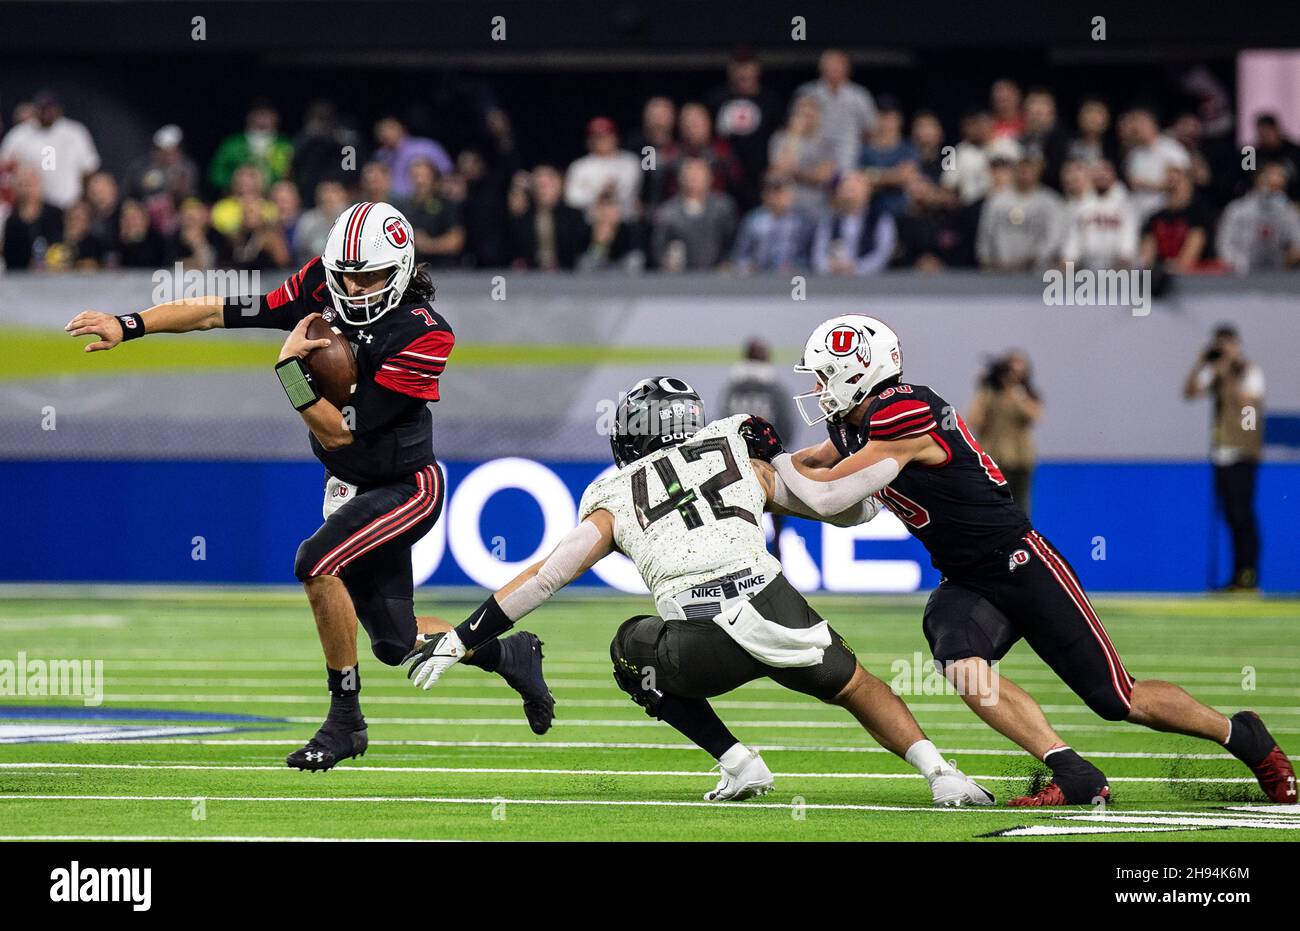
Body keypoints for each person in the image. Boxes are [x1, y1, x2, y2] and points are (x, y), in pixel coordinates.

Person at [63, 201, 554, 770]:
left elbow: (340, 433)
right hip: (347, 484)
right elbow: (218, 313)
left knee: (315, 562)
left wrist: (290, 372)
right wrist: (130, 325)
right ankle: (508, 654)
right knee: (395, 643)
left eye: (366, 275)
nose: (351, 286)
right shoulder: (320, 285)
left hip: (406, 486)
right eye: (343, 274)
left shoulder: (424, 335)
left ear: (399, 270)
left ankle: (344, 722)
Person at [761, 314, 1295, 806]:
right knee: (965, 667)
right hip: (966, 579)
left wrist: (758, 479)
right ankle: (1073, 773)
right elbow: (810, 464)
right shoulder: (854, 424)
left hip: (1021, 562)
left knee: (1116, 698)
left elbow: (829, 496)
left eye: (825, 375)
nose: (817, 388)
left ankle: (1242, 735)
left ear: (859, 372)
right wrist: (750, 464)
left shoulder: (905, 409)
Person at [405, 376, 993, 807]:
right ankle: (941, 773)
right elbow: (826, 503)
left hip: (698, 640)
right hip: (774, 603)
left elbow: (546, 575)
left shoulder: (613, 490)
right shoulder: (738, 445)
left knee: (629, 651)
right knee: (857, 685)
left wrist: (464, 636)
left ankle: (738, 763)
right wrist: (873, 489)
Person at [1183, 325, 1266, 592]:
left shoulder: (1248, 371)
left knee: (1242, 514)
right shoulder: (1216, 370)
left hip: (1243, 450)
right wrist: (1201, 363)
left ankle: (1248, 574)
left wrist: (1227, 371)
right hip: (1221, 453)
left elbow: (1246, 407)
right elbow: (1190, 392)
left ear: (1237, 345)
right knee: (1230, 515)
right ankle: (1236, 576)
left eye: (1228, 344)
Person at [720, 340, 795, 559]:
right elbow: (787, 425)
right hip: (770, 463)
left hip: (736, 462)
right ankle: (779, 566)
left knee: (737, 519)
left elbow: (722, 422)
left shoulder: (733, 389)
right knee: (776, 519)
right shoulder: (774, 389)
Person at [966, 351, 1043, 515]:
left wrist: (1016, 393)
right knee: (993, 506)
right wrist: (984, 391)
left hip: (1020, 457)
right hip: (994, 456)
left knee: (1021, 507)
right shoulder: (989, 394)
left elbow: (1035, 415)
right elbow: (974, 420)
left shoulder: (1025, 394)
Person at [0, 90, 100, 210]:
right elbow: (4, 168)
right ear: (35, 109)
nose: (46, 112)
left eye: (49, 108)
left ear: (58, 109)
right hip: (31, 208)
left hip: (68, 205)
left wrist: (84, 200)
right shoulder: (20, 134)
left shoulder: (75, 132)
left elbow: (89, 170)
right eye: (42, 108)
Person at [794, 49, 877, 172]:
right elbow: (795, 127)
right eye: (829, 66)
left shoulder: (860, 96)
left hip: (848, 160)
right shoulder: (807, 92)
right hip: (811, 160)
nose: (833, 70)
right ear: (821, 68)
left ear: (847, 68)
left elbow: (870, 131)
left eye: (838, 65)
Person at [1216, 161, 1300, 272]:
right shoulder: (1237, 210)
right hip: (1241, 273)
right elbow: (1224, 245)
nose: (1275, 183)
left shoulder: (1288, 213)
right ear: (1259, 181)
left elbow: (1297, 244)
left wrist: (1291, 256)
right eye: (1271, 184)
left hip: (1277, 274)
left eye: (1278, 186)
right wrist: (1236, 265)